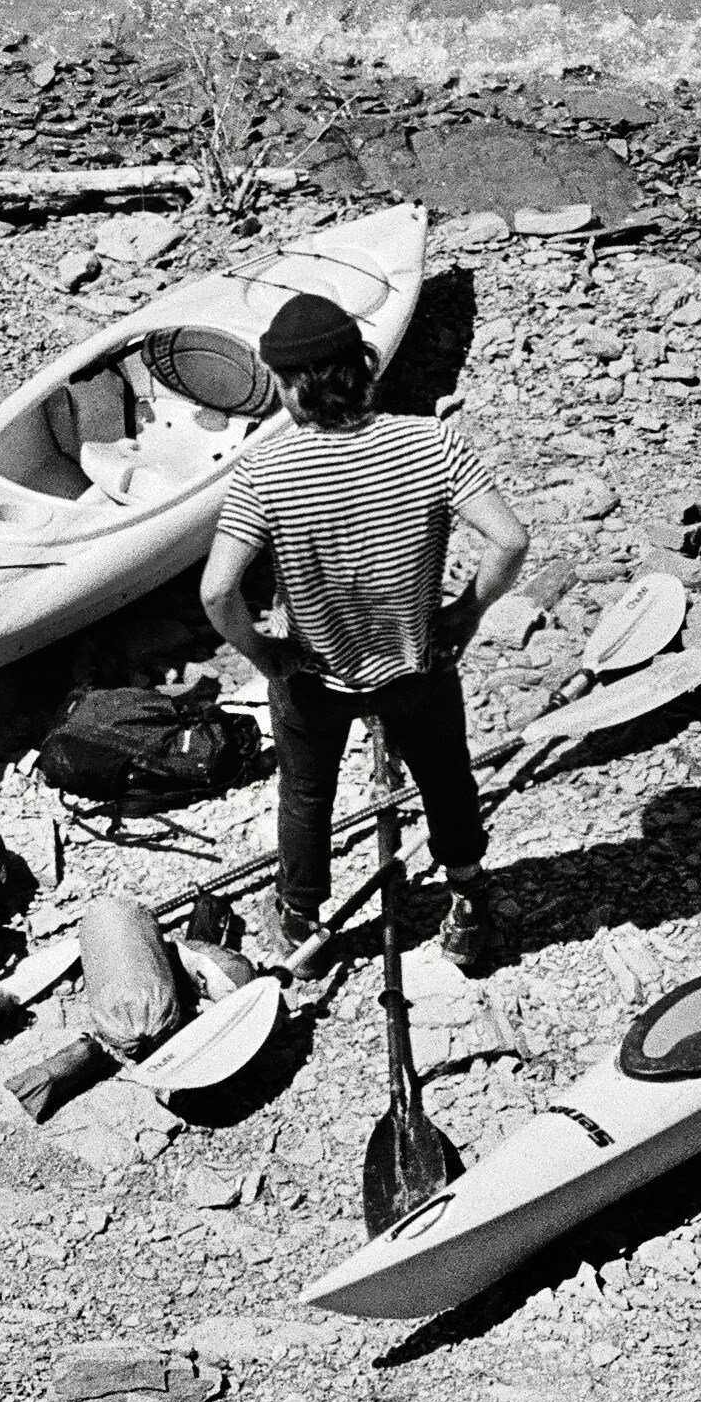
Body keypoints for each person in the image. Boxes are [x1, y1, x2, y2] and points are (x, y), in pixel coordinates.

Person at [199, 290, 530, 971]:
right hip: (418, 663)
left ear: (293, 388)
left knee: (307, 795)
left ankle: (300, 923)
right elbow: (510, 541)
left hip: (317, 674)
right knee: (445, 779)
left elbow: (217, 589)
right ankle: (466, 903)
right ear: (363, 368)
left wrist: (266, 652)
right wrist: (465, 613)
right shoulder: (432, 442)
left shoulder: (263, 471)